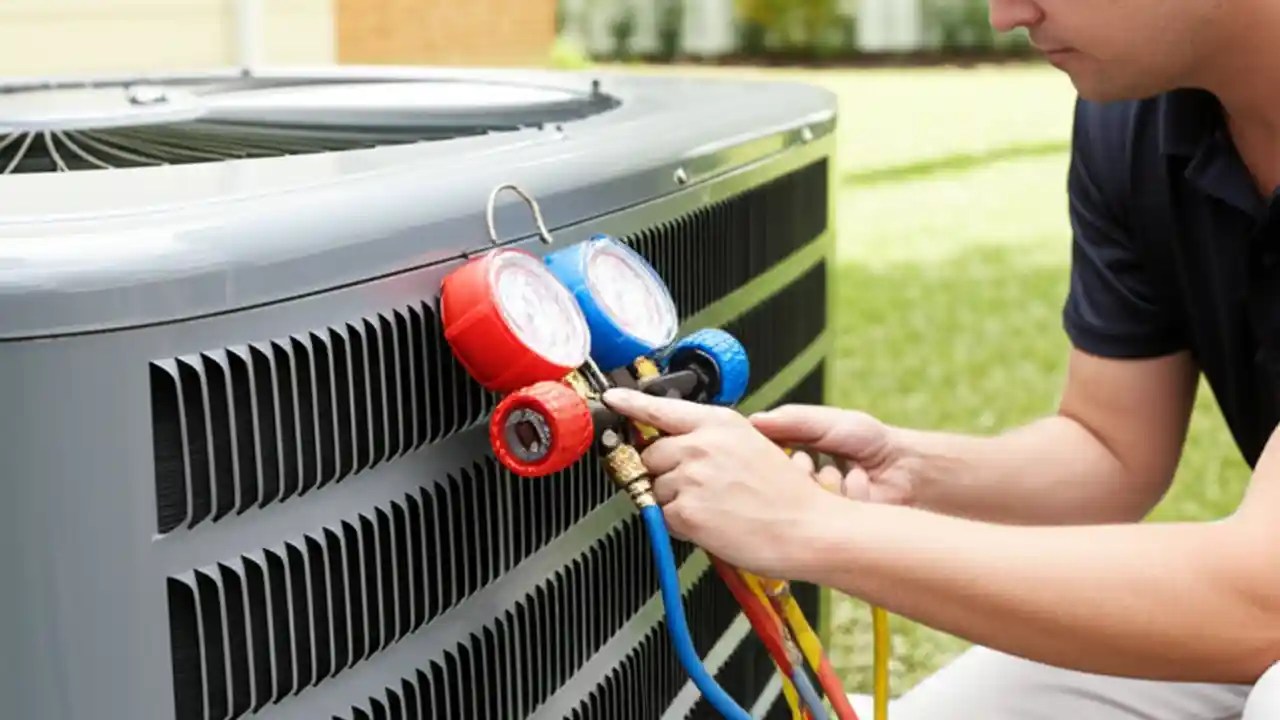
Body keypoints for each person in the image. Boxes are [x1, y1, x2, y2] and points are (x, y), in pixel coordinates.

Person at [600, 0, 1280, 717]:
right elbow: (1113, 452)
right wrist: (914, 470)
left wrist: (809, 526)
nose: (1005, 16)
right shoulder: (1138, 121)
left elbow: (1259, 601)